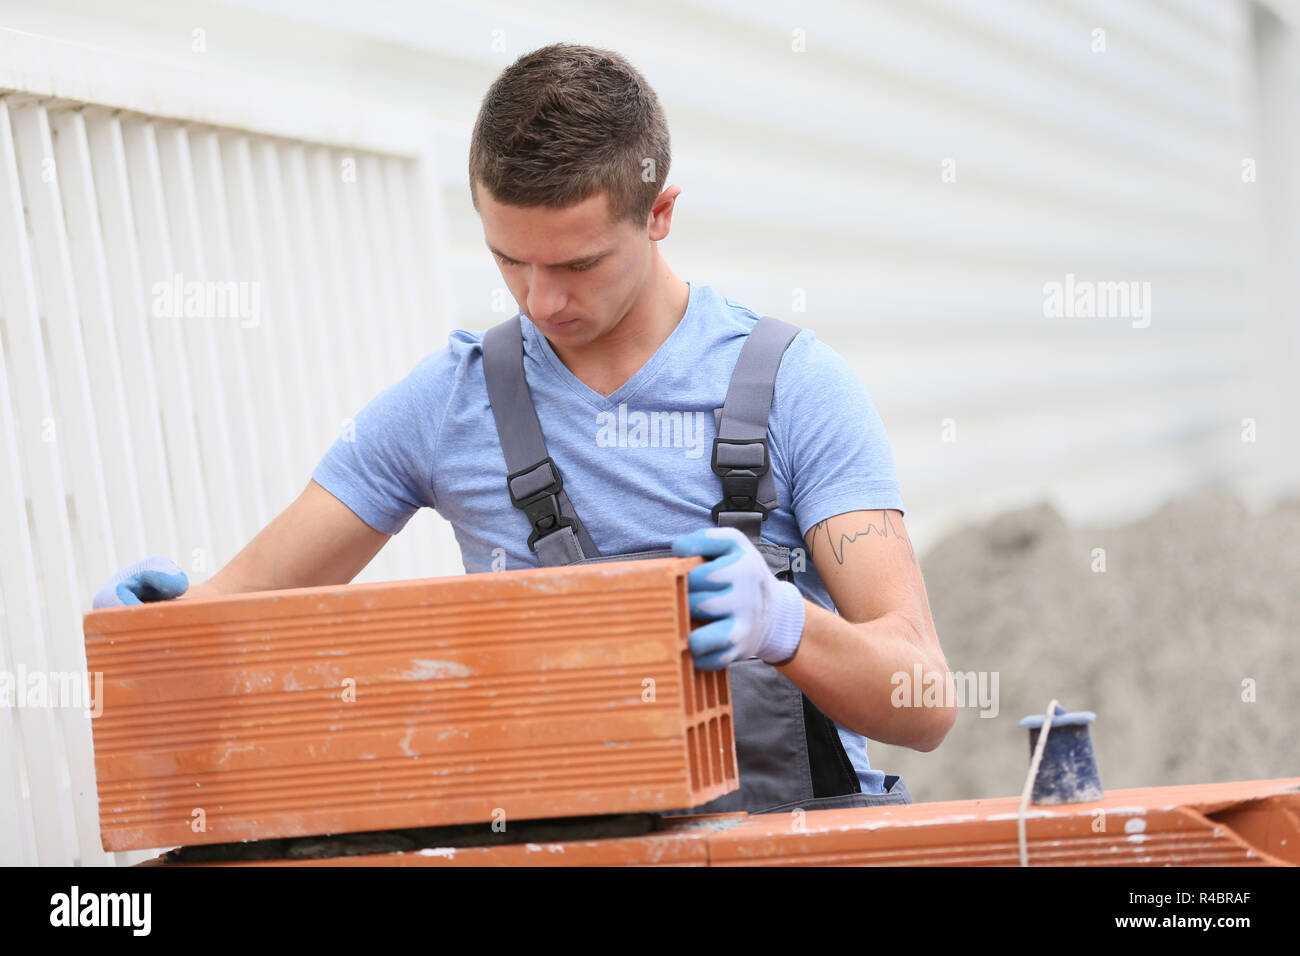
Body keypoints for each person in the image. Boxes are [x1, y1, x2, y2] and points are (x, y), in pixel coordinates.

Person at [94, 42, 954, 813]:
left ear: (659, 214)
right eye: (510, 260)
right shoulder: (450, 403)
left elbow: (927, 703)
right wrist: (157, 629)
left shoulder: (797, 387)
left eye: (578, 264)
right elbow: (241, 602)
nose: (541, 303)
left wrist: (788, 628)